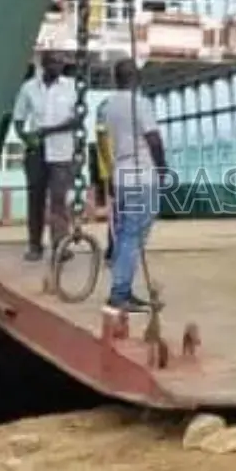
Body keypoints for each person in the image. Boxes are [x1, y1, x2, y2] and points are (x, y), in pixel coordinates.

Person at [97, 58, 165, 311]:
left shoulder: (107, 106)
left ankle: (123, 289)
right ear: (136, 78)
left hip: (121, 175)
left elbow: (103, 141)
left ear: (115, 79)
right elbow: (153, 138)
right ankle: (119, 293)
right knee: (132, 235)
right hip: (142, 176)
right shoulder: (141, 103)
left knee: (125, 232)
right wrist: (163, 169)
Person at [12, 52, 79, 261]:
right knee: (35, 199)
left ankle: (60, 245)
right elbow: (19, 119)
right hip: (37, 152)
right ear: (44, 64)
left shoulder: (71, 87)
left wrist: (48, 131)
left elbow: (77, 119)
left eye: (61, 63)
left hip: (62, 152)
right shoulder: (29, 88)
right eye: (55, 62)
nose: (59, 66)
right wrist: (26, 137)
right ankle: (35, 245)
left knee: (58, 199)